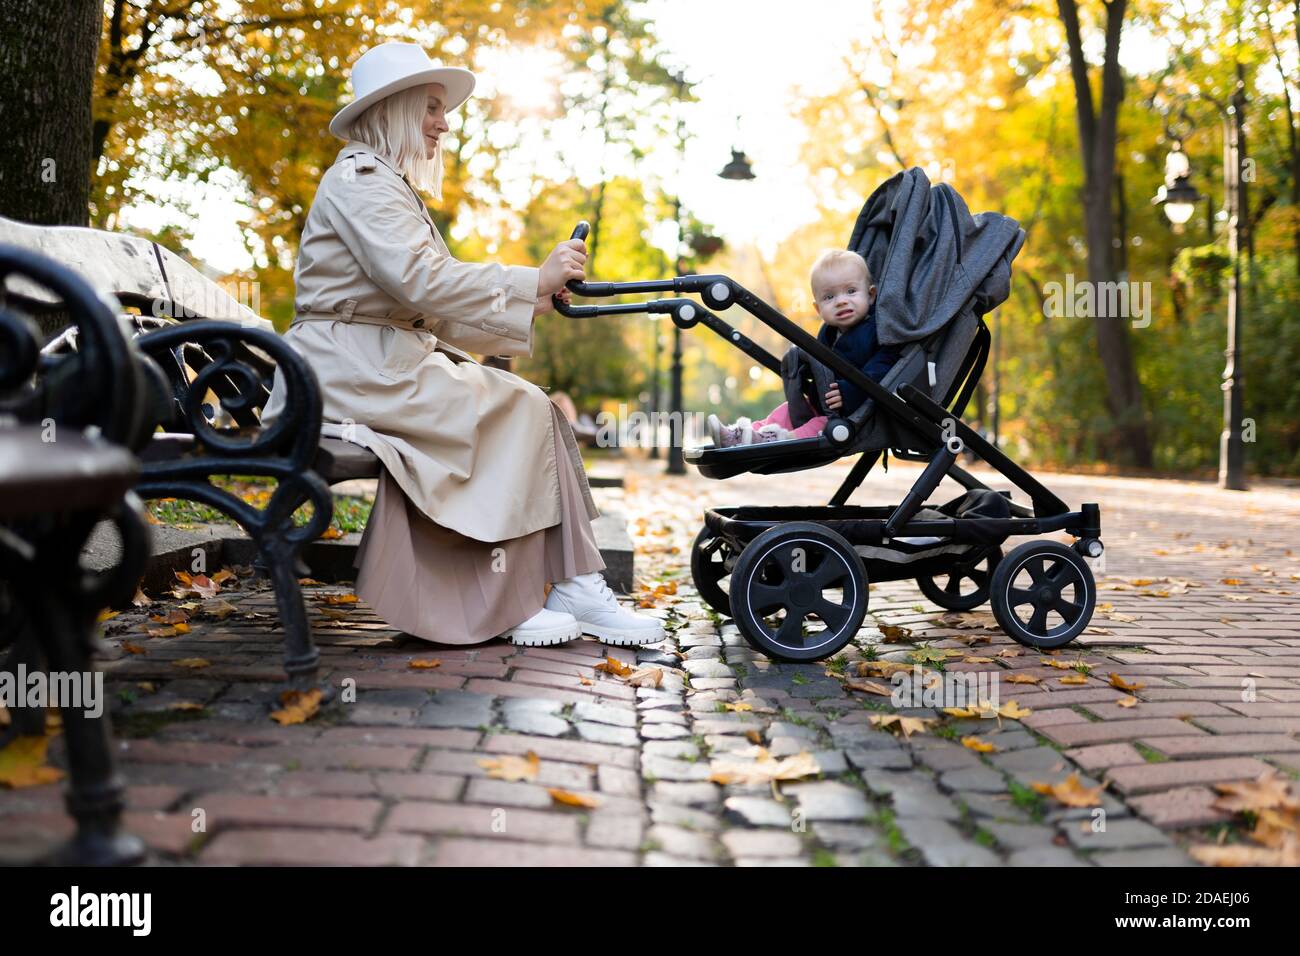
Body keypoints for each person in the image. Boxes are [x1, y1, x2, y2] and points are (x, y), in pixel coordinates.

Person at [262, 41, 662, 648]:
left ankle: (574, 582)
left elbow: (427, 307)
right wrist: (531, 279)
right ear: (391, 107)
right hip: (348, 371)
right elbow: (423, 282)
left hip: (374, 363)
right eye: (429, 107)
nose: (443, 123)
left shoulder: (384, 185)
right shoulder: (362, 178)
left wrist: (534, 299)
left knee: (537, 410)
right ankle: (509, 599)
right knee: (518, 412)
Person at [707, 249, 899, 446]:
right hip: (820, 403)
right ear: (818, 309)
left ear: (871, 295)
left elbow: (883, 367)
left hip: (849, 413)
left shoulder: (878, 330)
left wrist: (850, 392)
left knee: (817, 425)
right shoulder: (828, 333)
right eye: (829, 297)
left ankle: (772, 441)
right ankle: (742, 436)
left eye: (851, 291)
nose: (841, 301)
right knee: (785, 411)